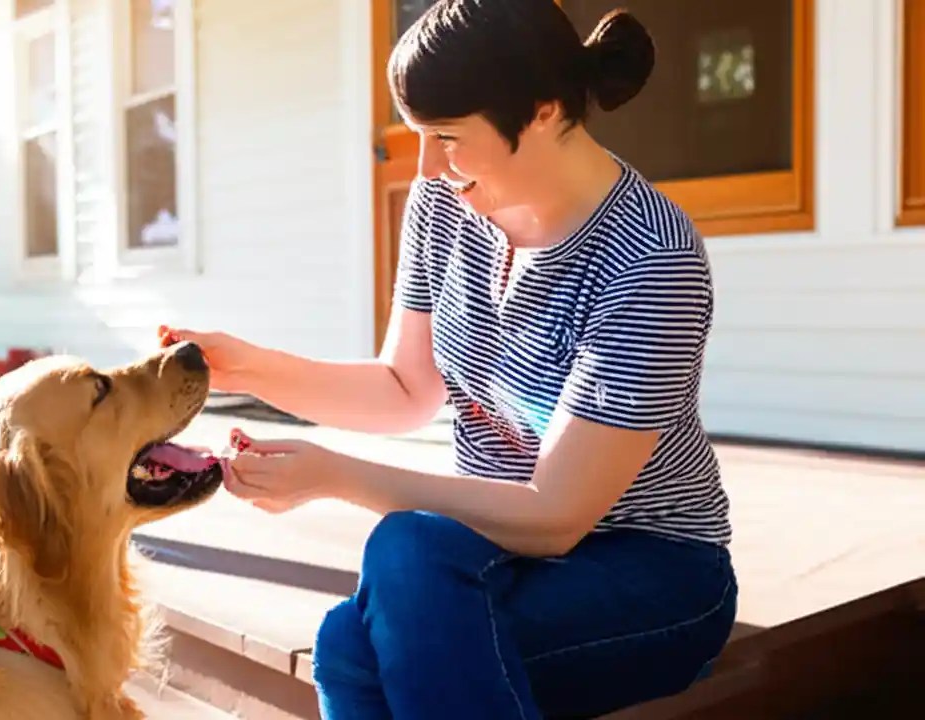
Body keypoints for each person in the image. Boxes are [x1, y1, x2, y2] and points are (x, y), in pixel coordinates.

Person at [159, 1, 737, 717]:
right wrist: (244, 367)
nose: (427, 166)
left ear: (543, 112)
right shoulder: (446, 204)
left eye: (447, 138)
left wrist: (334, 475)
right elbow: (405, 388)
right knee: (376, 601)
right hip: (498, 549)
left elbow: (557, 515)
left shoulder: (651, 258)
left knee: (360, 633)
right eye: (418, 136)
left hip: (647, 563)